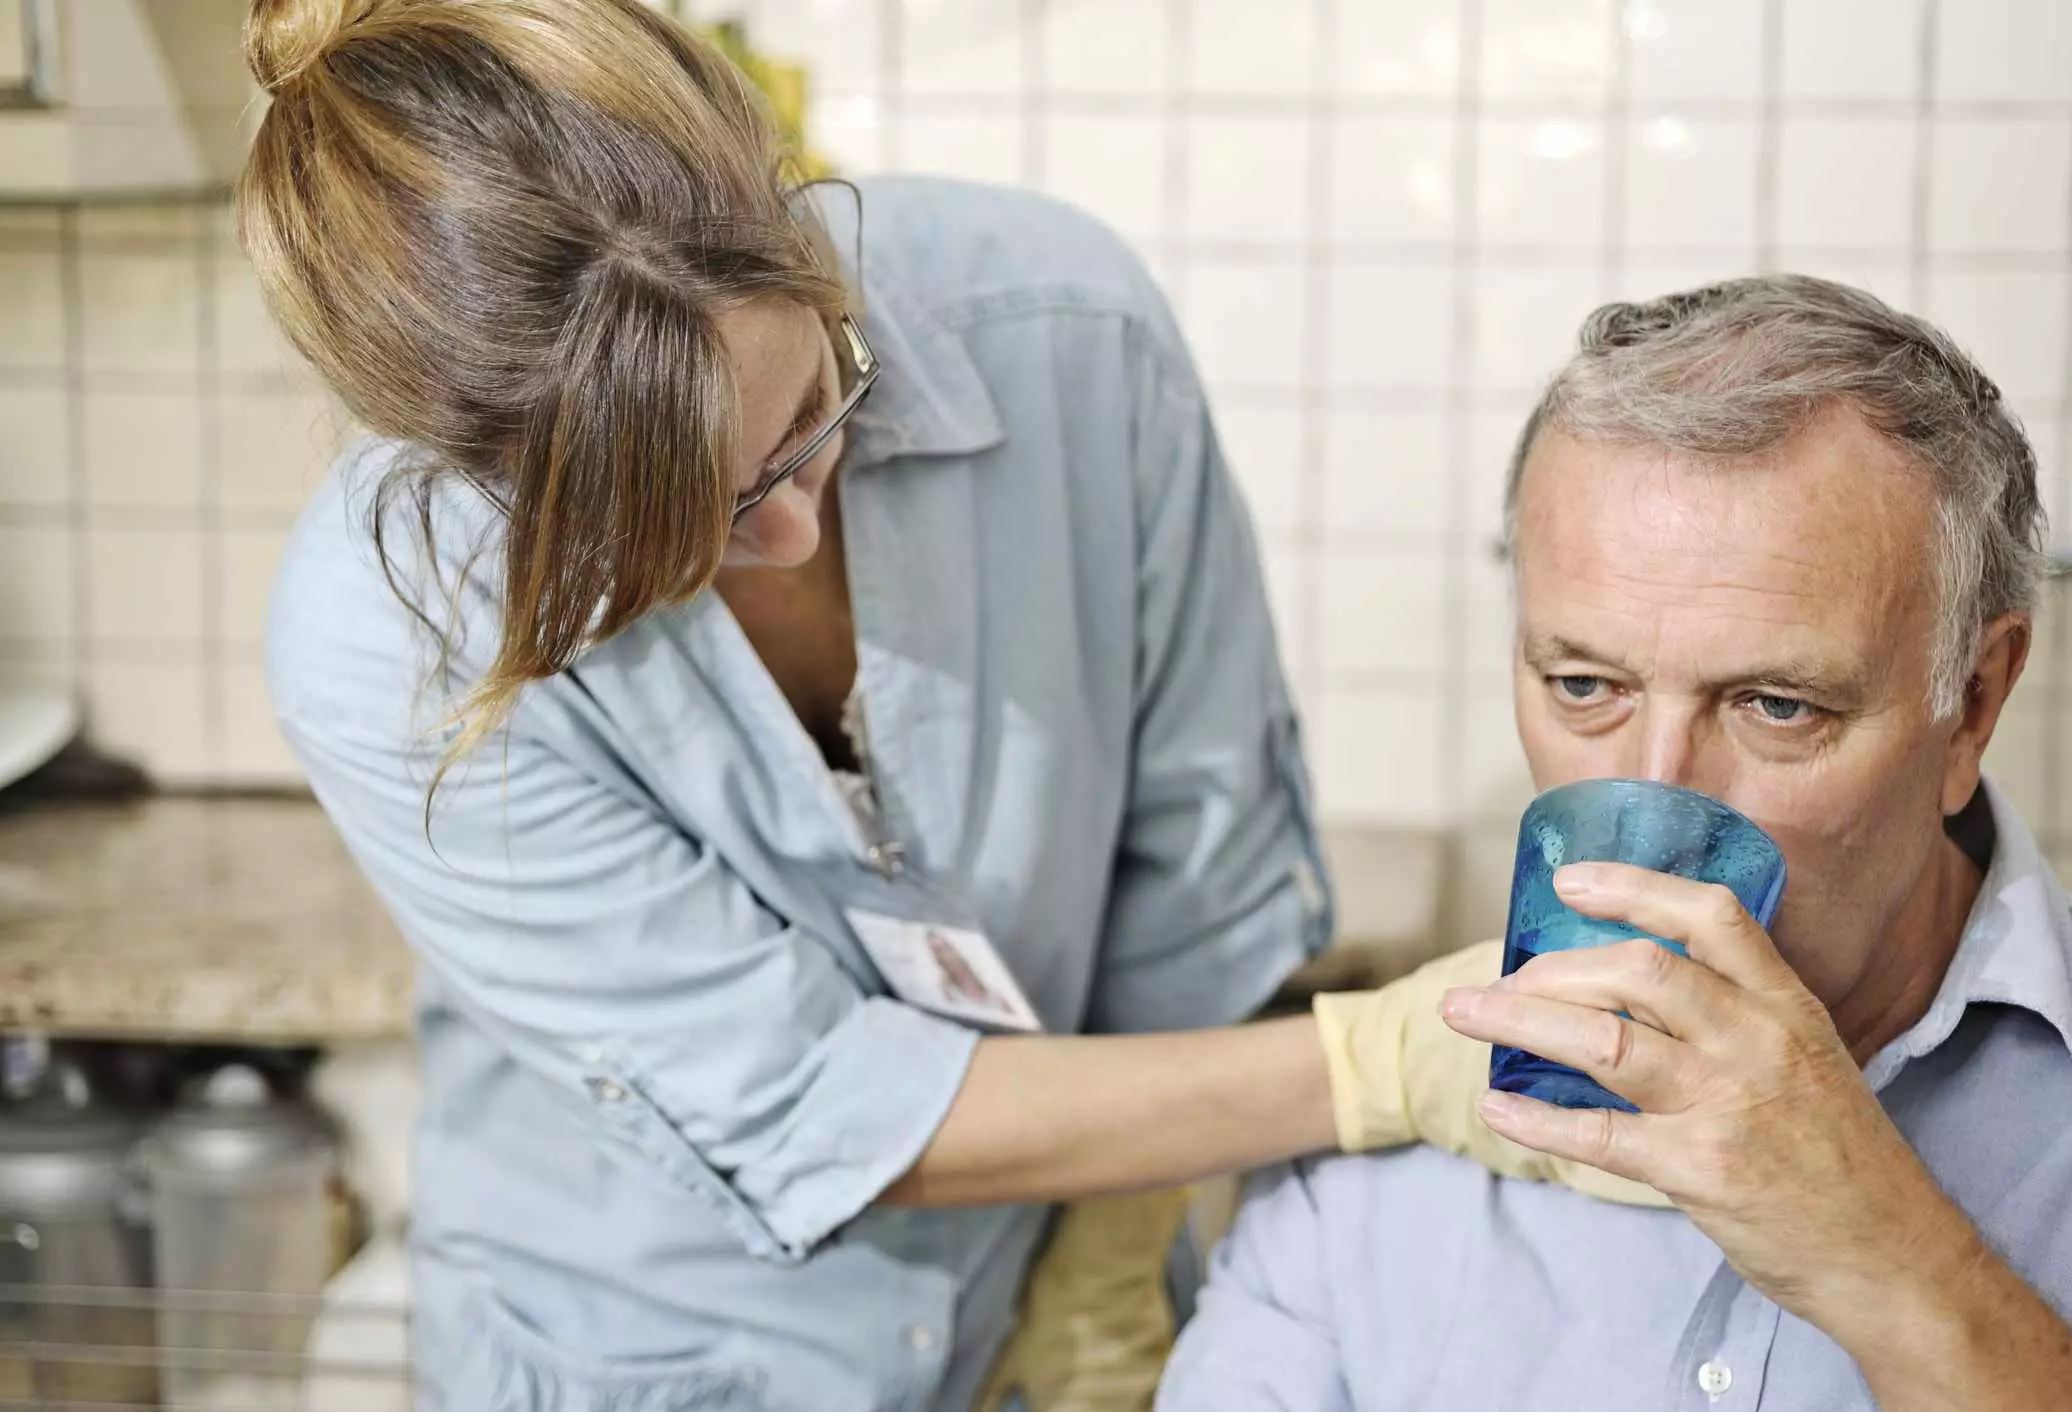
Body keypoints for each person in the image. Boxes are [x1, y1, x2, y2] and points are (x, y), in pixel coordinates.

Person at [241, 3, 1601, 1408]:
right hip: (637, 1356)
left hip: (1052, 1307)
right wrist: (1377, 1071)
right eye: (666, 539)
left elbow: (1200, 886)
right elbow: (811, 1100)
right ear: (472, 476)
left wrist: (1113, 1252)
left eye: (808, 422)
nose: (786, 543)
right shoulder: (384, 631)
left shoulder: (1072, 338)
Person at [1158, 276, 2072, 1412]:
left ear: (1969, 700)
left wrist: (1890, 1256)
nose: (1651, 794)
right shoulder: (1377, 1170)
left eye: (1776, 704)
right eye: (1582, 685)